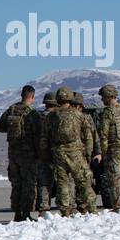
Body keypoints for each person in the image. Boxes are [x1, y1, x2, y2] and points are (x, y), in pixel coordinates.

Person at [40, 88, 94, 216]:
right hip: (76, 152)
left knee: (62, 183)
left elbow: (44, 138)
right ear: (70, 99)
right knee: (84, 181)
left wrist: (45, 155)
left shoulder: (51, 116)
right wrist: (87, 154)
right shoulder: (79, 115)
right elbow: (88, 137)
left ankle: (65, 211)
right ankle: (91, 208)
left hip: (59, 153)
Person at [0, 84, 41, 221]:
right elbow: (38, 134)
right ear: (32, 97)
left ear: (21, 95)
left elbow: (0, 127)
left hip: (13, 153)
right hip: (28, 155)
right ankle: (26, 214)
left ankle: (17, 213)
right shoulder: (32, 113)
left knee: (16, 184)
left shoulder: (12, 109)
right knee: (29, 184)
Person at [35, 90, 57, 217]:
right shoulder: (57, 117)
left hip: (41, 154)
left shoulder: (37, 117)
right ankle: (68, 208)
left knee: (44, 182)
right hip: (57, 153)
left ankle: (43, 209)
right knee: (65, 181)